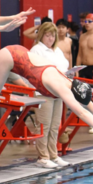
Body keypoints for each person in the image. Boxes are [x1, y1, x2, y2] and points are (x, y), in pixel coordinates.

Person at [29, 22, 70, 168]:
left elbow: (64, 67)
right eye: (48, 35)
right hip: (43, 92)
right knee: (44, 125)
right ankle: (43, 157)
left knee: (54, 125)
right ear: (41, 35)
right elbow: (33, 72)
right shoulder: (36, 50)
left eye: (53, 36)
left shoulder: (56, 51)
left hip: (58, 91)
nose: (51, 38)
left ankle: (53, 154)